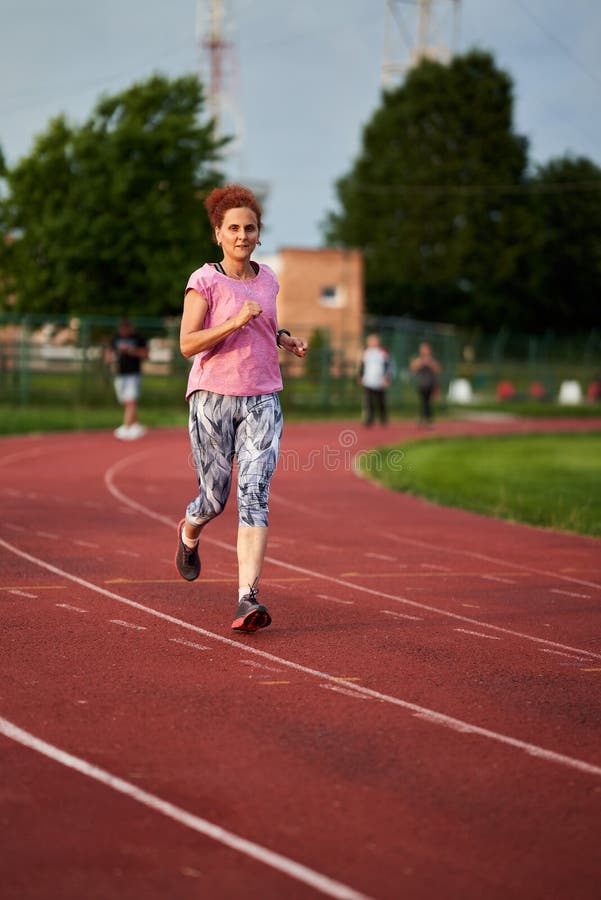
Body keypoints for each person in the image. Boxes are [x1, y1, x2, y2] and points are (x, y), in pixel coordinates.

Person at [175, 184, 308, 634]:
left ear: (258, 233)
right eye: (232, 228)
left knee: (254, 493)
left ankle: (246, 598)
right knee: (214, 498)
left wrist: (283, 338)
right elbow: (187, 343)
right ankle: (190, 531)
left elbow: (264, 324)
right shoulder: (205, 280)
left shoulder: (269, 278)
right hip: (212, 397)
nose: (241, 235)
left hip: (264, 397)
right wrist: (233, 321)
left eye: (249, 228)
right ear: (218, 233)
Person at [105, 318, 149, 440]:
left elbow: (146, 354)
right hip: (120, 374)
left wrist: (130, 351)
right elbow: (108, 355)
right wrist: (112, 356)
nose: (123, 331)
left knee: (131, 401)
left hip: (133, 374)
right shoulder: (116, 338)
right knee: (125, 401)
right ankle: (135, 424)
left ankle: (126, 426)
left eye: (125, 328)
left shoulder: (138, 338)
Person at [358, 333, 391, 426]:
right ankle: (369, 418)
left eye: (374, 340)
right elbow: (362, 365)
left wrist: (386, 378)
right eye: (370, 340)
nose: (372, 342)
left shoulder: (382, 352)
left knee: (381, 401)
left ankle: (383, 419)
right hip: (368, 380)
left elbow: (387, 366)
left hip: (380, 380)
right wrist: (360, 376)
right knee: (368, 401)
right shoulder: (365, 352)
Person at [410, 341, 441, 427]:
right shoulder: (418, 360)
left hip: (430, 384)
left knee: (429, 403)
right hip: (422, 384)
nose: (423, 351)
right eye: (422, 349)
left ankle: (430, 420)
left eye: (425, 349)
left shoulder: (432, 360)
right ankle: (422, 420)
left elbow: (438, 370)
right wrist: (419, 364)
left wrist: (430, 363)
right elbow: (413, 370)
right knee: (423, 402)